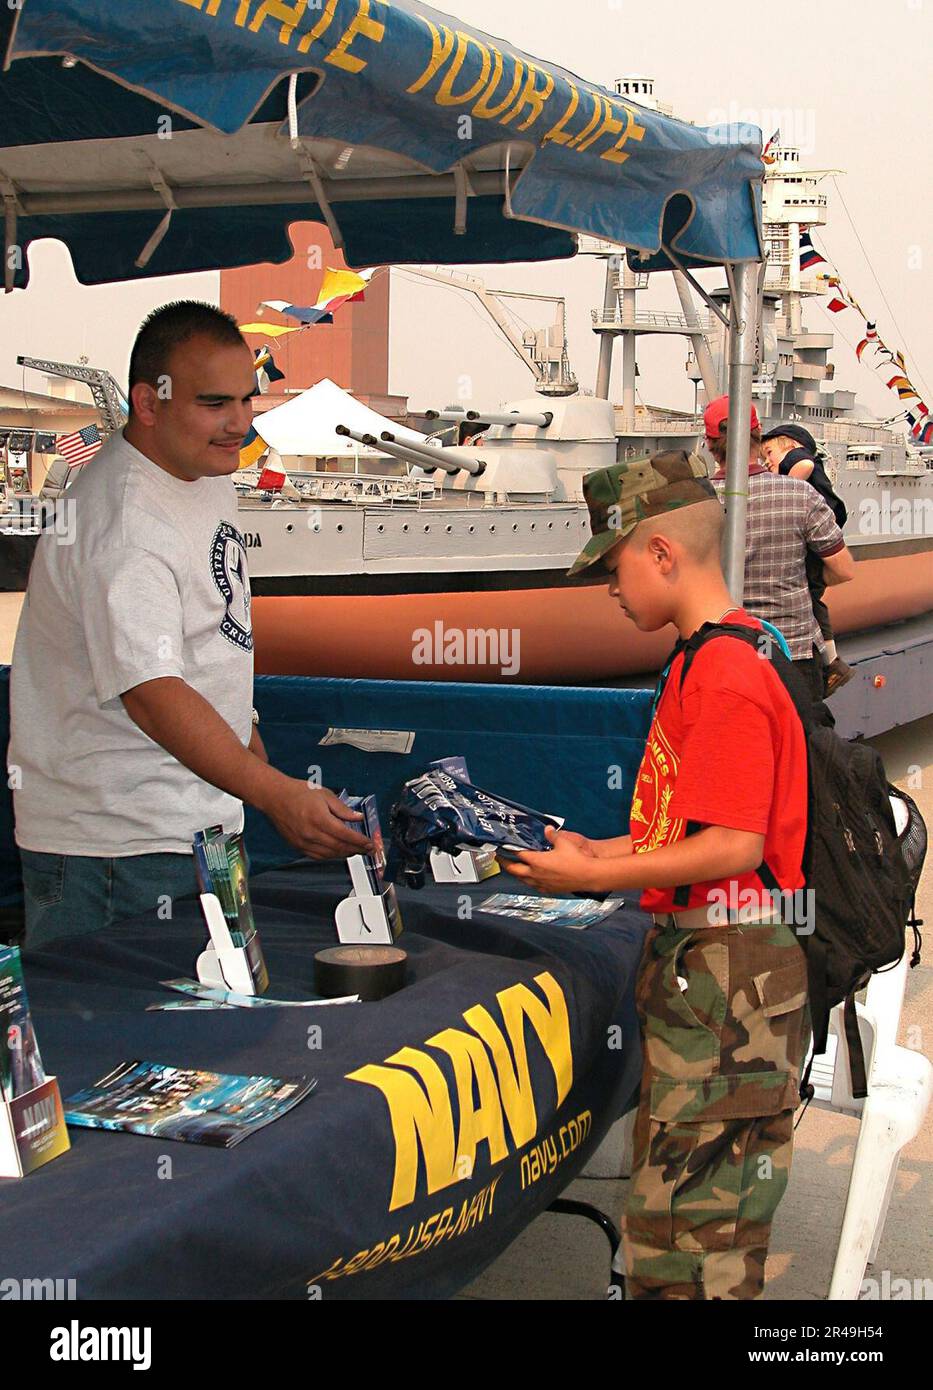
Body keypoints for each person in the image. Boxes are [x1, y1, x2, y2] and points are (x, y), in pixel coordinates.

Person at [504, 449, 811, 1299]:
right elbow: (686, 824)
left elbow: (732, 846)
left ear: (662, 555)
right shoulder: (718, 652)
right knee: (688, 1217)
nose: (609, 587)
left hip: (727, 976)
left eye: (614, 566)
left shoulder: (720, 673)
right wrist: (596, 851)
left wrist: (588, 883)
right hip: (717, 970)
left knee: (685, 1245)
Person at [8, 301, 371, 949]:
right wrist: (278, 796)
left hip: (197, 829)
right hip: (118, 850)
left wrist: (254, 773)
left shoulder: (202, 474)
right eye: (214, 403)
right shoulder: (122, 522)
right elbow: (152, 691)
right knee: (121, 1042)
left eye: (245, 400)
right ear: (148, 404)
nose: (238, 423)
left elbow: (212, 639)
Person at [703, 396, 855, 704]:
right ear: (758, 437)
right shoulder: (801, 493)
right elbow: (843, 569)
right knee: (800, 746)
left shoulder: (697, 501)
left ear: (709, 444)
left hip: (722, 651)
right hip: (793, 653)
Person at [761, 423, 853, 695]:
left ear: (789, 443)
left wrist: (783, 489)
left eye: (769, 452)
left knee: (811, 597)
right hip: (822, 530)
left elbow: (805, 467)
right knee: (813, 597)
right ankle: (832, 661)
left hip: (821, 527)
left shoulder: (796, 457)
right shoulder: (790, 460)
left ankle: (833, 663)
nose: (767, 461)